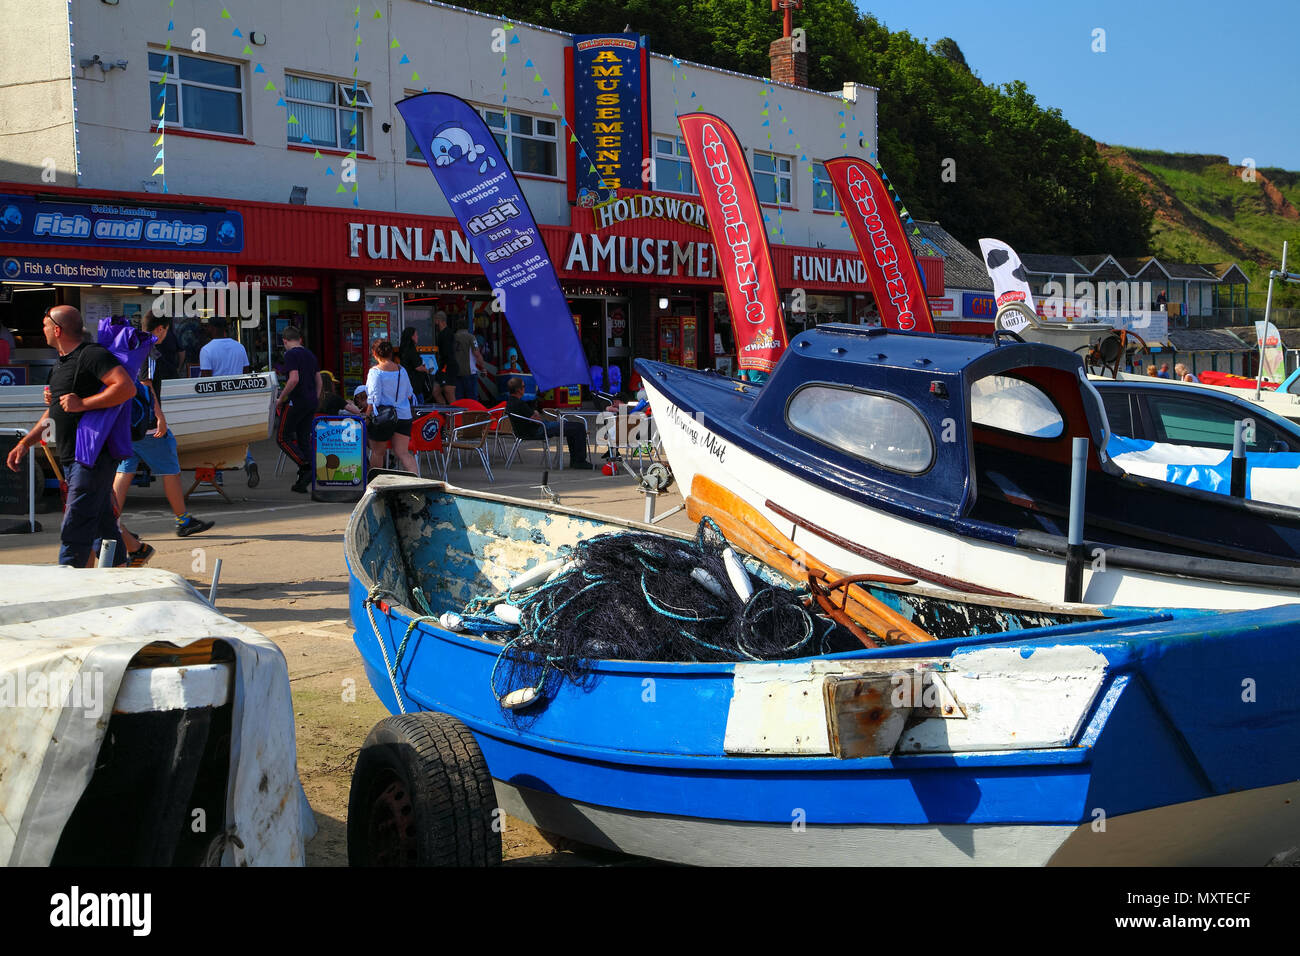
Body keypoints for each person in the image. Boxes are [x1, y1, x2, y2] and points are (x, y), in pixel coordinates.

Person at [6, 306, 134, 566]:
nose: (41, 330)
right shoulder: (61, 364)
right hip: (72, 457)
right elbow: (53, 413)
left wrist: (83, 403)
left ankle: (66, 581)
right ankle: (122, 575)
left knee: (75, 526)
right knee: (102, 526)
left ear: (57, 329)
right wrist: (26, 442)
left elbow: (126, 387)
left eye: (44, 325)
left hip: (91, 457)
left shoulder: (92, 355)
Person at [112, 315, 215, 563]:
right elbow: (146, 386)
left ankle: (112, 521)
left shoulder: (128, 347)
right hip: (145, 424)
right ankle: (183, 521)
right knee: (171, 469)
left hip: (127, 423)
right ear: (160, 328)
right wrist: (159, 416)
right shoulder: (147, 350)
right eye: (167, 331)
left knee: (125, 471)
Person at [199, 316, 259, 483]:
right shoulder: (239, 347)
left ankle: (217, 475)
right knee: (238, 436)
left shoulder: (207, 350)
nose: (206, 330)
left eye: (208, 327)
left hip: (216, 401)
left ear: (213, 328)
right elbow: (246, 373)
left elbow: (206, 380)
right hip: (237, 399)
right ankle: (249, 461)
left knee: (216, 438)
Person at [505, 376, 592, 469]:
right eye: (523, 386)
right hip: (538, 430)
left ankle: (577, 460)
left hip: (526, 431)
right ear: (519, 390)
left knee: (572, 428)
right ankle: (579, 461)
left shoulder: (510, 403)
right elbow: (537, 421)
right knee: (578, 427)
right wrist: (536, 413)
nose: (524, 388)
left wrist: (535, 414)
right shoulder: (520, 404)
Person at [275, 326, 321, 493]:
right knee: (303, 438)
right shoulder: (310, 355)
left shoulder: (291, 354)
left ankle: (305, 464)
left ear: (285, 341)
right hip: (310, 401)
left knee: (282, 437)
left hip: (296, 401)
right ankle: (304, 479)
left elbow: (293, 379)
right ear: (300, 339)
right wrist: (314, 398)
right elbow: (320, 381)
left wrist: (281, 398)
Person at [365, 339, 419, 473]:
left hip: (384, 418)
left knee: (378, 453)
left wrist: (367, 416)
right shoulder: (402, 370)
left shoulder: (375, 372)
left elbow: (374, 399)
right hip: (403, 415)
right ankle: (418, 481)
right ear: (390, 353)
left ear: (374, 353)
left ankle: (376, 484)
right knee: (403, 453)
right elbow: (409, 394)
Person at [399, 327, 434, 403]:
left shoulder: (403, 349)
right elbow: (417, 367)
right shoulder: (411, 350)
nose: (417, 336)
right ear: (411, 337)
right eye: (416, 335)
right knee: (419, 403)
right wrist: (427, 370)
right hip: (415, 382)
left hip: (407, 381)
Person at [453, 316, 483, 401]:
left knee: (459, 400)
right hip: (470, 373)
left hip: (456, 373)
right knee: (472, 399)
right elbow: (476, 353)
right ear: (467, 327)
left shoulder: (453, 337)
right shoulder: (471, 337)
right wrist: (483, 367)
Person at [432, 310, 457, 405]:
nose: (434, 322)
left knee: (449, 392)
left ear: (439, 320)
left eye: (435, 320)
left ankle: (455, 417)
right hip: (443, 366)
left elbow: (448, 353)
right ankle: (444, 413)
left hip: (448, 366)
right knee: (435, 391)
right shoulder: (441, 333)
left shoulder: (447, 333)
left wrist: (445, 367)